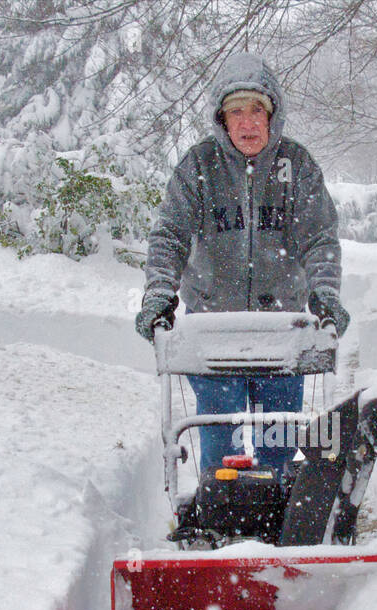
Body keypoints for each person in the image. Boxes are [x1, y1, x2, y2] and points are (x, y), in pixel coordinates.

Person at [135, 51, 350, 476]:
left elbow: (320, 239)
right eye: (237, 112)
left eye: (257, 110)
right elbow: (170, 235)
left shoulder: (297, 166)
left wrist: (323, 293)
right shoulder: (199, 166)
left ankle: (276, 518)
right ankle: (220, 518)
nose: (247, 122)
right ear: (222, 119)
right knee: (221, 440)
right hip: (215, 330)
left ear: (273, 116)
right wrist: (159, 292)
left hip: (282, 331)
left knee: (279, 440)